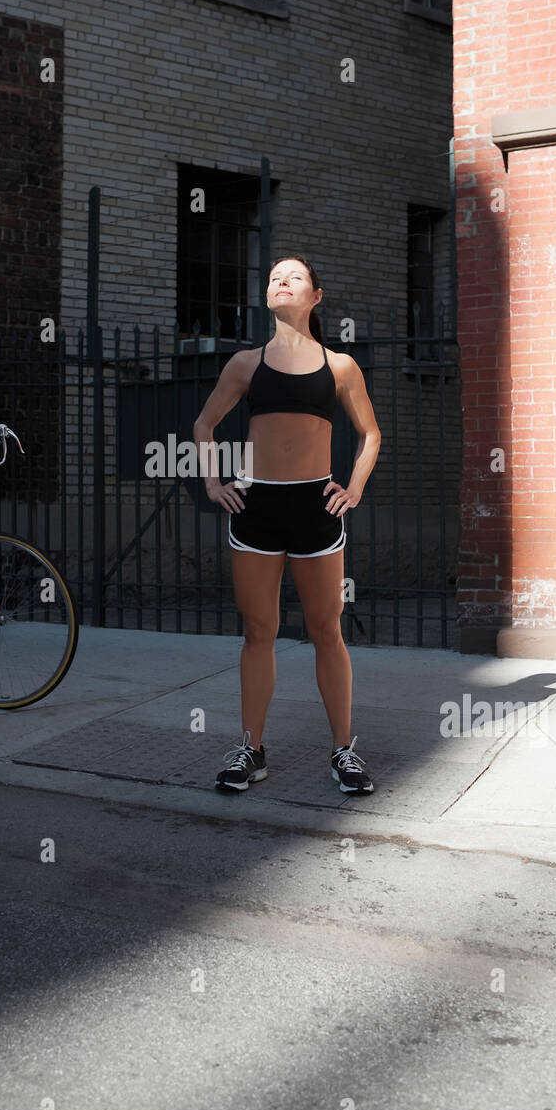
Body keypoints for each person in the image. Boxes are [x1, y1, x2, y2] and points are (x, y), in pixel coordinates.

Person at [192, 256, 381, 795]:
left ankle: (344, 750)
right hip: (257, 509)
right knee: (258, 632)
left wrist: (355, 487)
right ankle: (251, 749)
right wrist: (212, 484)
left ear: (316, 296)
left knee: (327, 631)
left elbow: (371, 434)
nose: (282, 281)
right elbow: (204, 424)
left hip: (315, 510)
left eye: (294, 276)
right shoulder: (246, 364)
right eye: (275, 276)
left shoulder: (340, 366)